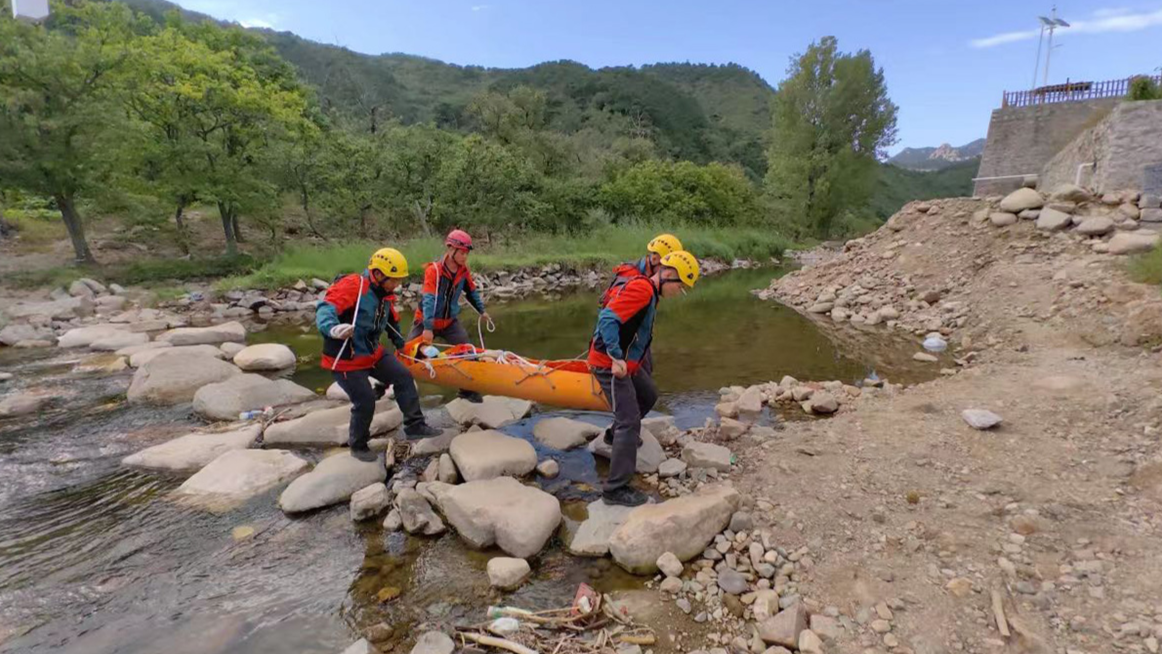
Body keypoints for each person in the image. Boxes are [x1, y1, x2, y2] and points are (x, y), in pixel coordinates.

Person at [588, 250, 700, 506]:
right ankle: (615, 490)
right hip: (609, 364)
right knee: (629, 422)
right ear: (668, 275)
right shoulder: (642, 290)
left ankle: (612, 437)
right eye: (680, 286)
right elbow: (607, 319)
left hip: (627, 363)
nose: (679, 292)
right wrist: (616, 357)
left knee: (649, 395)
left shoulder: (650, 291)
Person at [318, 247, 442, 461]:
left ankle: (415, 425)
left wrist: (400, 344)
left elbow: (391, 322)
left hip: (371, 352)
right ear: (377, 274)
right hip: (346, 358)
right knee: (365, 401)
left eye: (398, 280)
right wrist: (332, 328)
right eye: (393, 280)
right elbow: (325, 308)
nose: (397, 285)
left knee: (403, 377)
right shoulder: (353, 286)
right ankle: (358, 445)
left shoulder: (384, 295)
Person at [596, 233, 682, 446]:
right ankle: (622, 432)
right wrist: (616, 355)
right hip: (621, 348)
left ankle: (623, 429)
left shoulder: (645, 277)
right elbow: (609, 319)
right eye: (667, 264)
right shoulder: (634, 280)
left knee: (648, 387)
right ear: (655, 260)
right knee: (638, 398)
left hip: (636, 341)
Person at [408, 229, 493, 403]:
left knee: (468, 352)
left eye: (466, 253)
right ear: (450, 249)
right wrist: (428, 328)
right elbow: (429, 299)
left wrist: (482, 311)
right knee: (406, 353)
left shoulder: (463, 271)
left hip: (449, 322)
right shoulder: (434, 271)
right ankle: (383, 386)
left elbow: (471, 291)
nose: (464, 256)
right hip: (425, 321)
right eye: (462, 252)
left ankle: (467, 390)